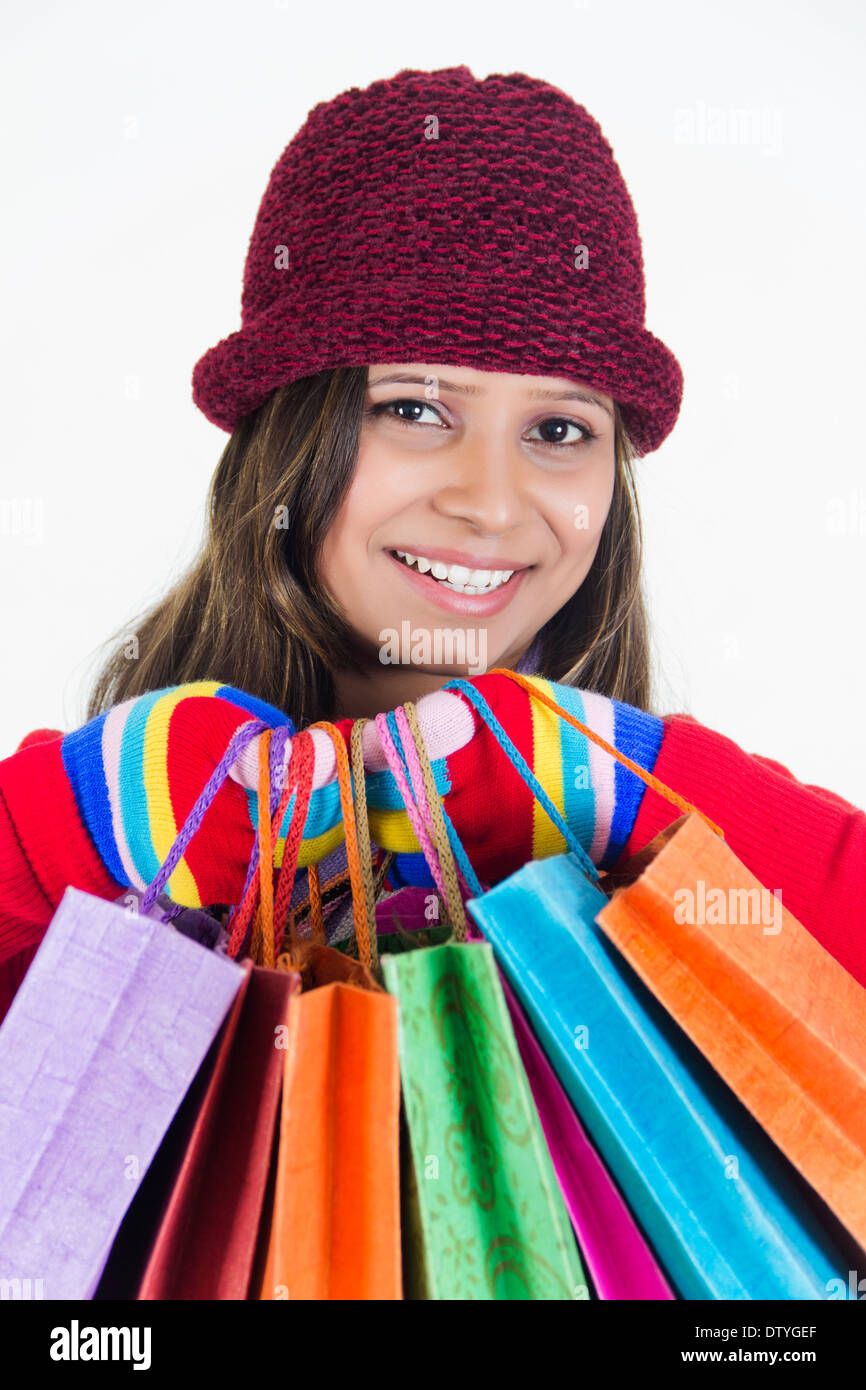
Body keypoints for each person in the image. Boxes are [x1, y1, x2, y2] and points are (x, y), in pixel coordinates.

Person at [1, 65, 863, 1022]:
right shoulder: (101, 833)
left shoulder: (671, 815)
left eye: (560, 430)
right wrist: (72, 822)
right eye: (413, 408)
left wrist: (611, 792)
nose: (492, 504)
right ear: (289, 437)